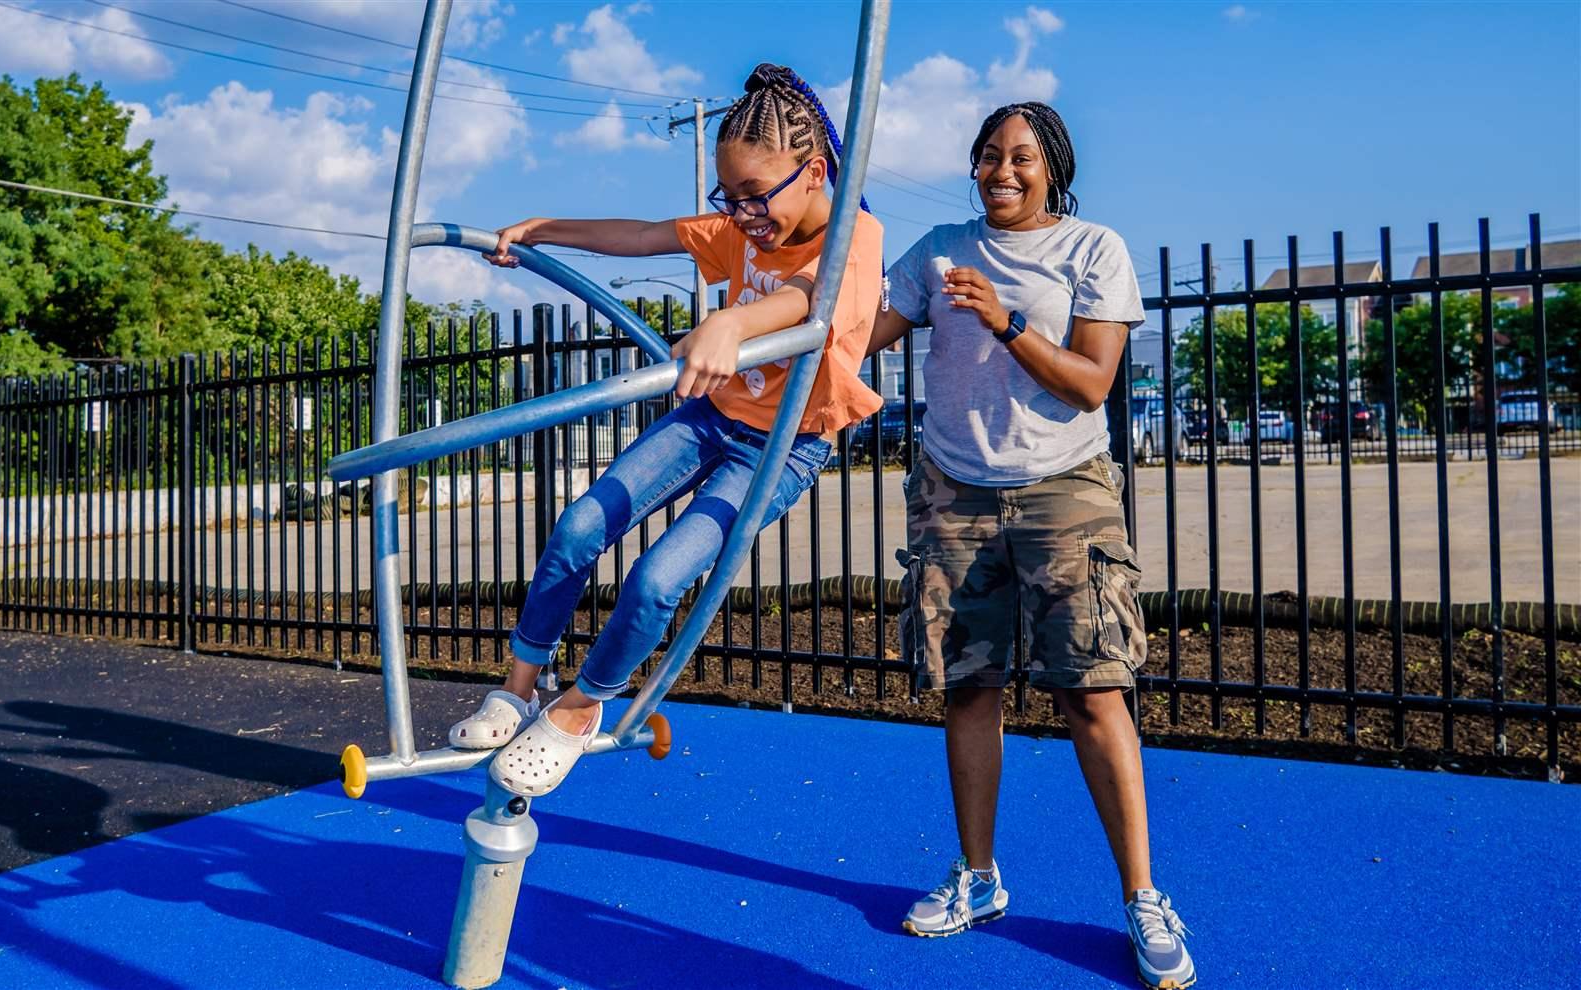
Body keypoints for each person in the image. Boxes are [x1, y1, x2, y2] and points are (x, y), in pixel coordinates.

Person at [448, 64, 884, 800]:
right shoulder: (745, 226)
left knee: (655, 581)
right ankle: (519, 688)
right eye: (729, 198)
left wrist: (732, 322)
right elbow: (645, 235)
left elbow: (811, 300)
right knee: (580, 525)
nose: (743, 215)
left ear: (814, 173)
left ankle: (579, 708)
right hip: (712, 416)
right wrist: (540, 230)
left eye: (756, 195)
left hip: (783, 448)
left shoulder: (855, 237)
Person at [868, 102, 1196, 990]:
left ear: (1053, 167)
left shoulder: (1094, 249)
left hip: (1064, 489)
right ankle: (978, 878)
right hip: (954, 491)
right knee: (968, 688)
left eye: (1020, 156)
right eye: (987, 155)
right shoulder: (940, 249)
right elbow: (857, 332)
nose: (1000, 171)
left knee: (1093, 691)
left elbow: (1091, 384)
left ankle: (1143, 898)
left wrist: (1007, 319)